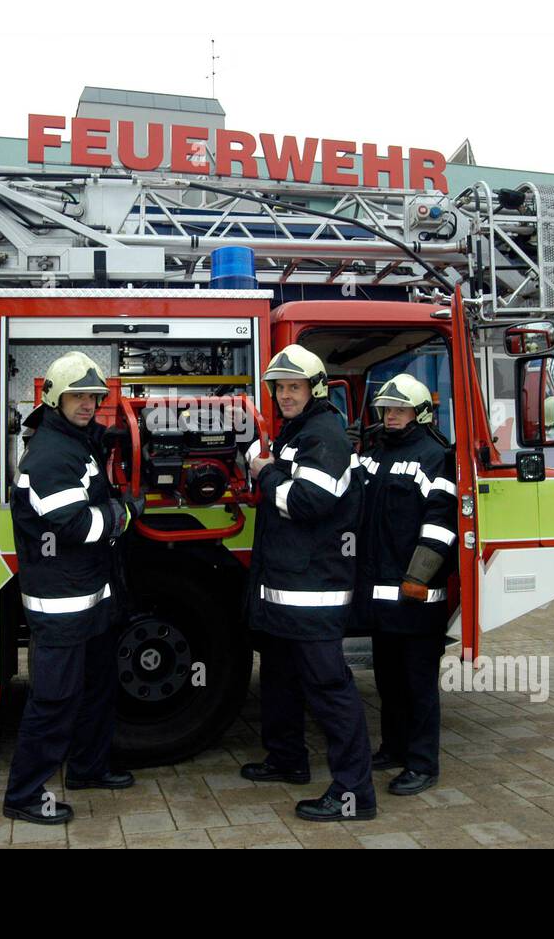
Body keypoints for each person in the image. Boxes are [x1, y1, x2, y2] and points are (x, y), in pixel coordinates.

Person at [2, 353, 143, 825]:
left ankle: (87, 767)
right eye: (78, 396)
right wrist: (124, 514)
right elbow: (75, 525)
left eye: (93, 396)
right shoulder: (49, 456)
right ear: (54, 399)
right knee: (54, 698)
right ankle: (23, 793)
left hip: (89, 596)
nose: (88, 404)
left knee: (97, 685)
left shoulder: (76, 443)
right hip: (61, 603)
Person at [242, 343, 376, 822]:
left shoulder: (326, 436)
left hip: (313, 593)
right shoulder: (296, 434)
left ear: (315, 388)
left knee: (329, 689)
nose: (284, 395)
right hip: (285, 590)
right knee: (280, 676)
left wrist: (265, 472)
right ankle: (287, 759)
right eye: (279, 387)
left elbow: (306, 502)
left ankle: (353, 795)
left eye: (293, 387)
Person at [354, 374, 457, 796]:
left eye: (399, 410)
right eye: (386, 409)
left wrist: (417, 578)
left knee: (418, 686)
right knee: (388, 682)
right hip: (381, 600)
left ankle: (422, 764)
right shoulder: (375, 454)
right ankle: (393, 749)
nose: (390, 416)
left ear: (421, 413)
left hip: (416, 600)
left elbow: (440, 524)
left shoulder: (436, 457)